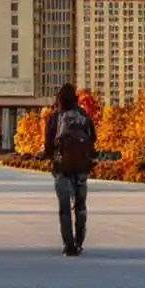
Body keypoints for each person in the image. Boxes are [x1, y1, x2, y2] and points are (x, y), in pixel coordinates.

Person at [42, 83, 97, 257]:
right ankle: (80, 241)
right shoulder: (84, 117)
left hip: (61, 168)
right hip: (81, 168)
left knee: (64, 208)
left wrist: (51, 157)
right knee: (80, 207)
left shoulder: (54, 118)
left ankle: (69, 245)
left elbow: (49, 147)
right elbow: (92, 139)